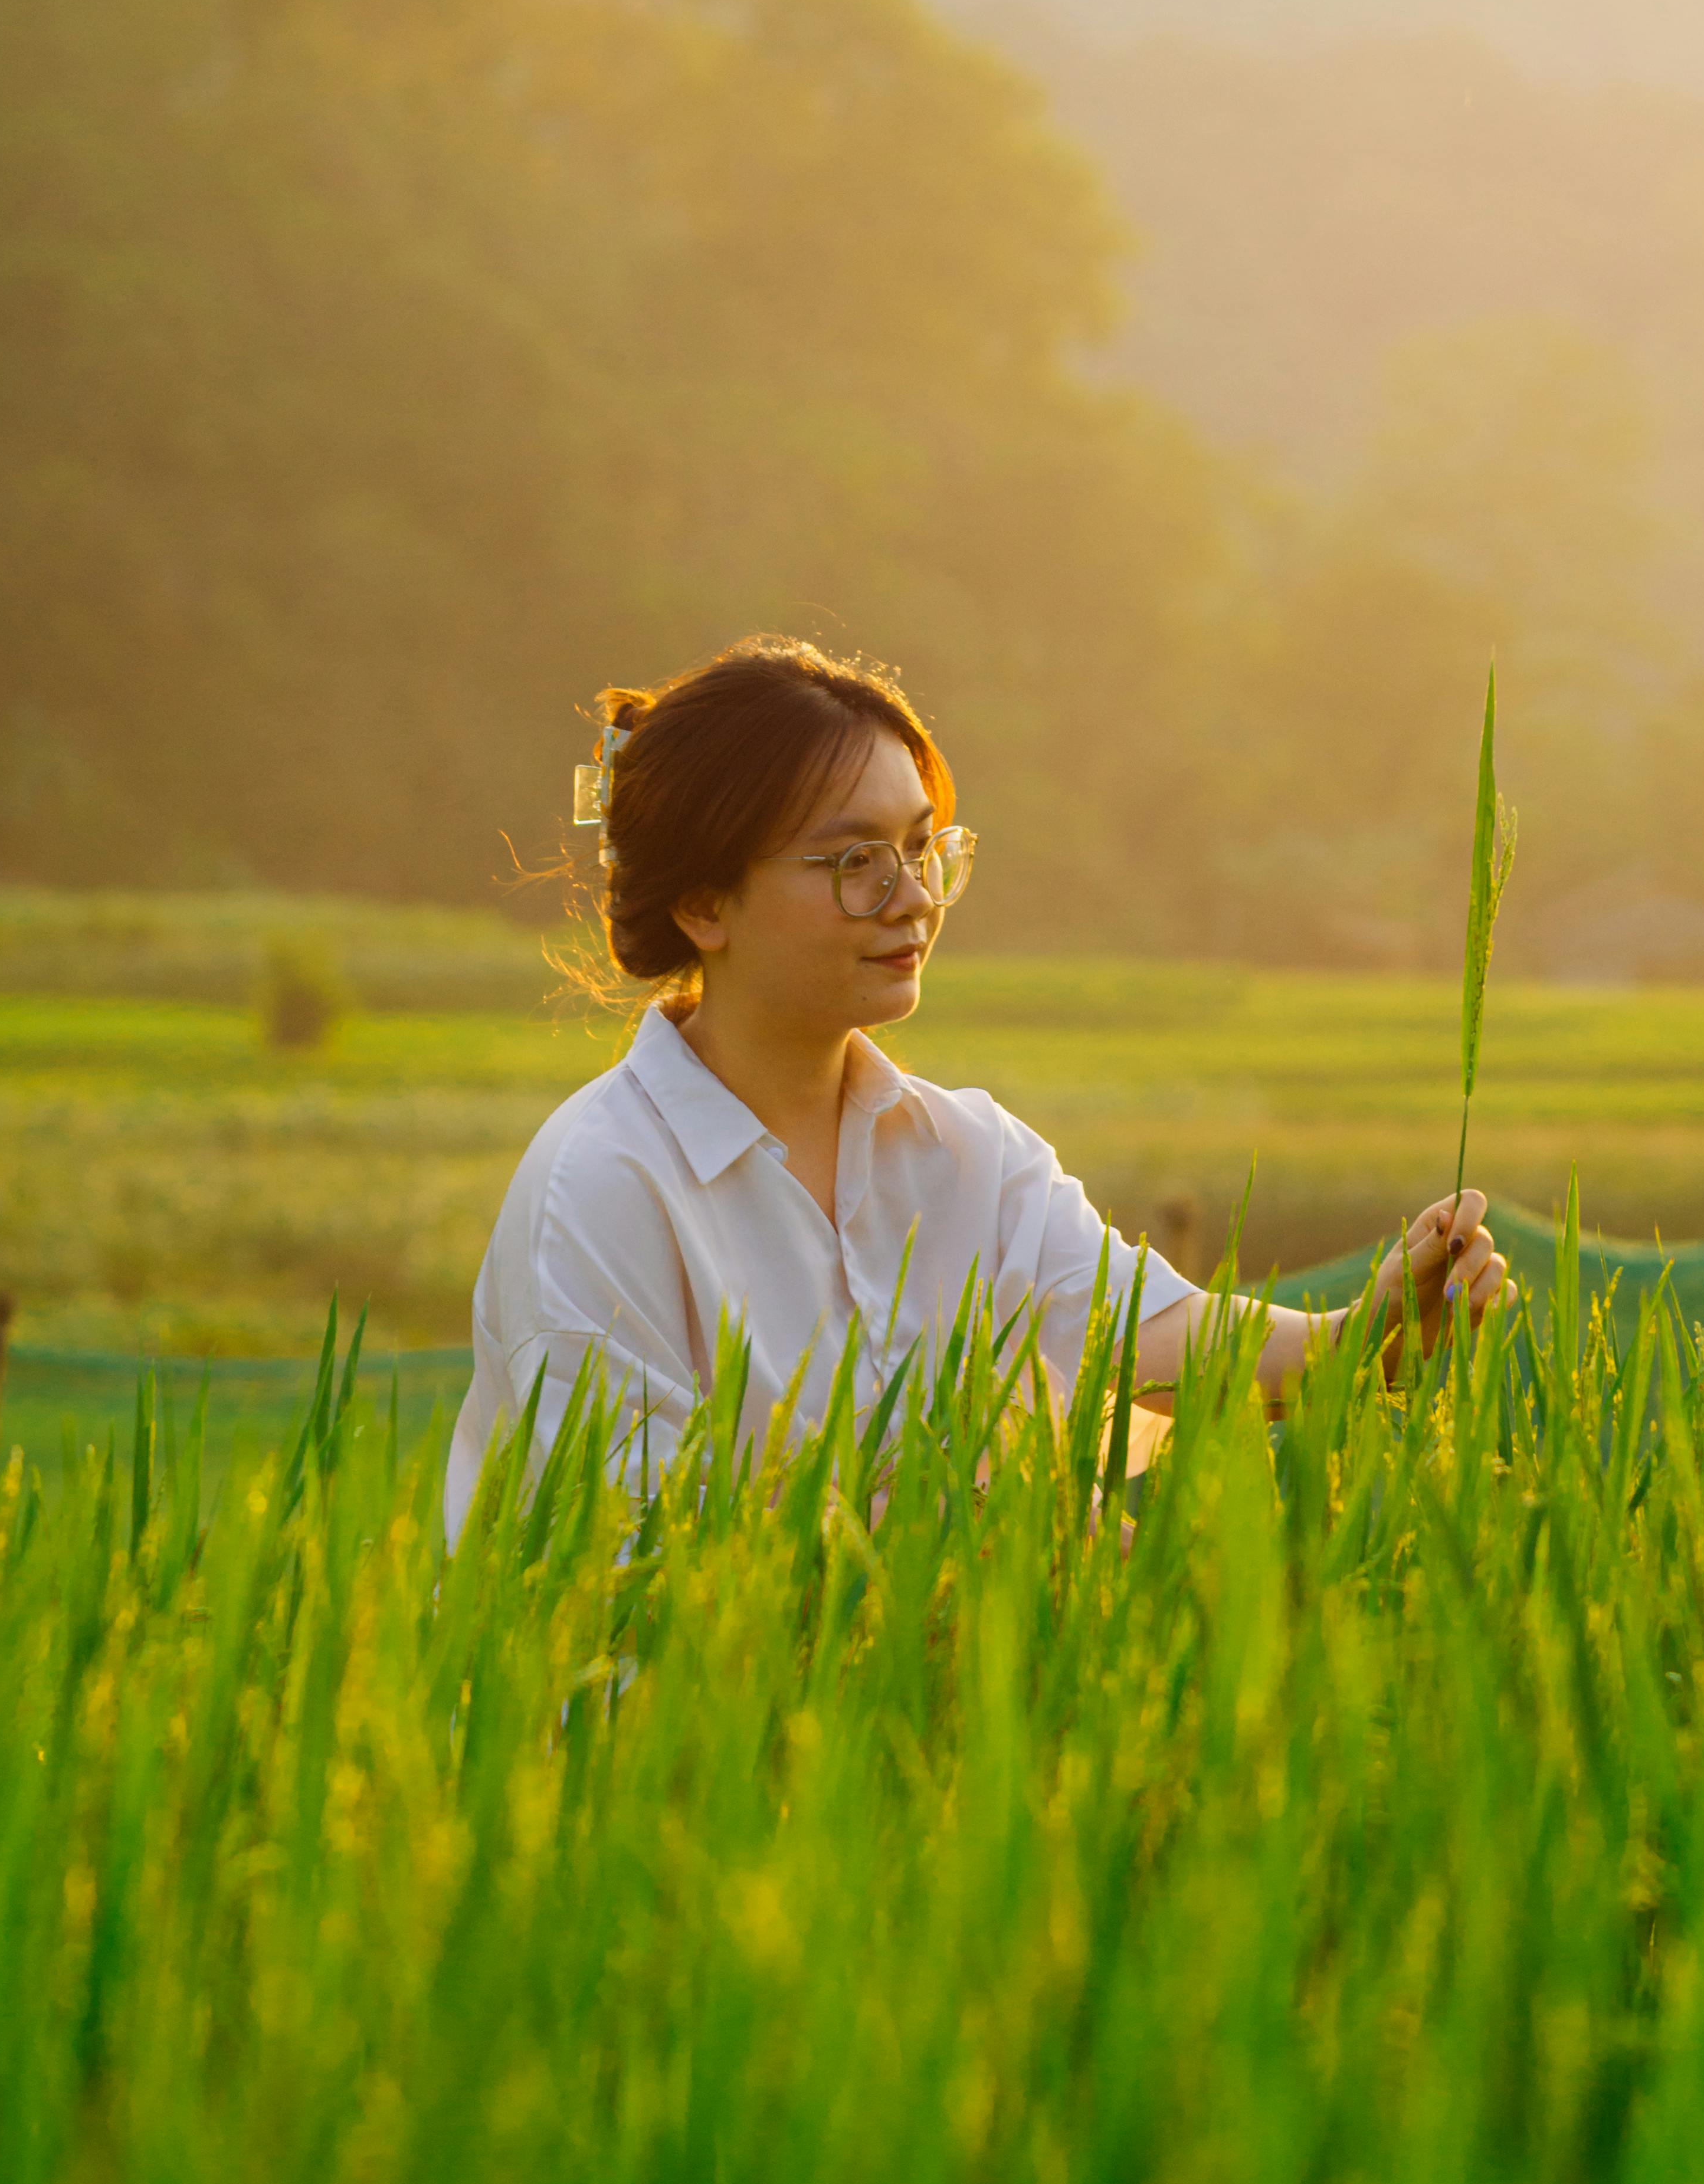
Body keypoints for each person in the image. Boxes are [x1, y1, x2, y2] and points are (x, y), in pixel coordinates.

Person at [443, 636, 1506, 1540]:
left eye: (921, 850)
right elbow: (632, 1558)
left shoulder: (967, 1157)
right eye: (856, 862)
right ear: (709, 903)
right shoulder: (604, 1188)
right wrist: (991, 1542)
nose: (912, 900)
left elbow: (1152, 1341)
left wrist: (1362, 1337)